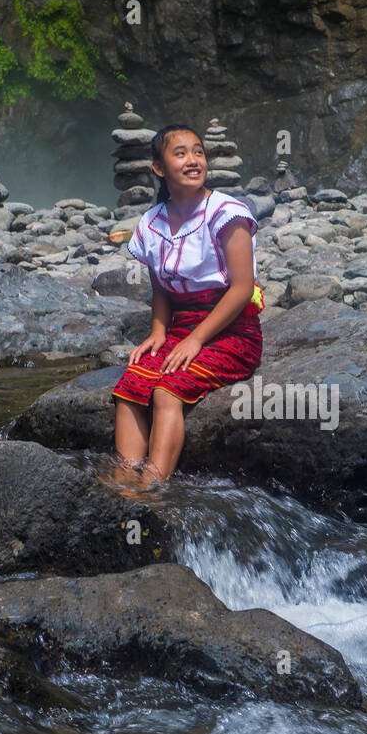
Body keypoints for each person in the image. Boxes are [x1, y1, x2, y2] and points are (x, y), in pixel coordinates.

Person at [108, 122, 264, 488]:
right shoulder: (150, 223)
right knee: (130, 386)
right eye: (181, 154)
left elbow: (242, 289)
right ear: (159, 168)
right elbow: (161, 289)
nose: (193, 161)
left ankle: (151, 485)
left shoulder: (228, 213)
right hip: (180, 329)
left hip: (232, 330)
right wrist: (159, 333)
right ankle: (121, 482)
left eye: (198, 152)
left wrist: (195, 340)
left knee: (166, 389)